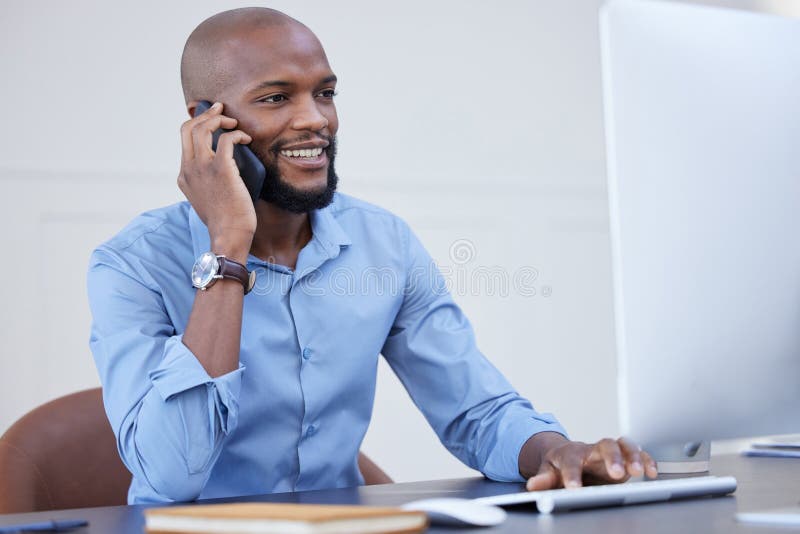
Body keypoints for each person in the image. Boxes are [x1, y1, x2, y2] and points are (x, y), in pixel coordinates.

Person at [88, 7, 657, 504]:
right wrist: (228, 249)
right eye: (276, 97)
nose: (315, 118)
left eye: (325, 92)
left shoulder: (384, 244)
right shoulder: (132, 265)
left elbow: (474, 410)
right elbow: (172, 472)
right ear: (205, 121)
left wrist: (559, 452)